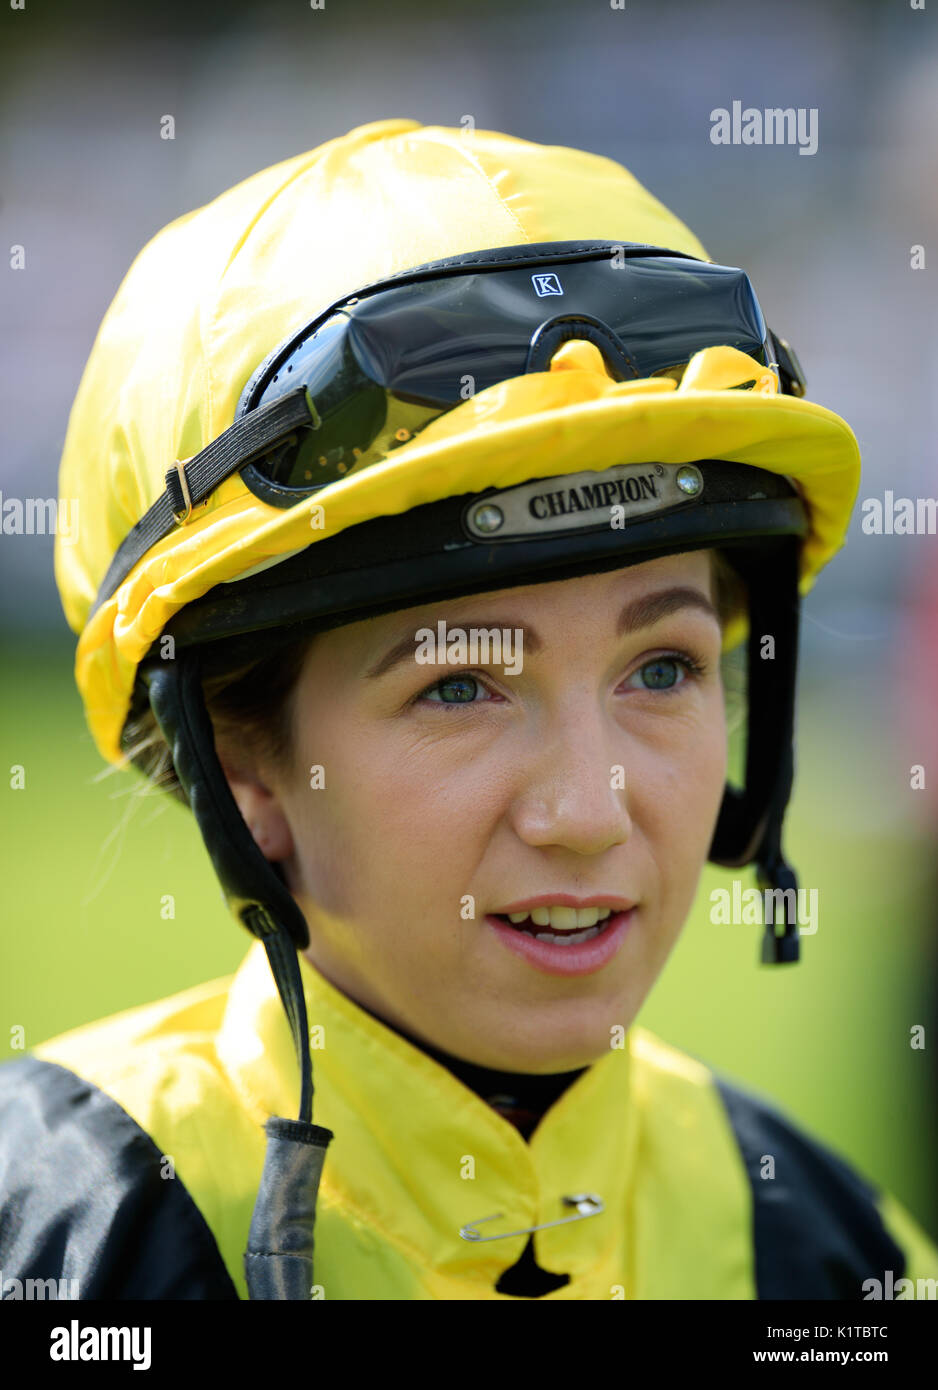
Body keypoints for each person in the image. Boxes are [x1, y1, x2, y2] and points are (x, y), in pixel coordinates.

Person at [1, 117, 935, 1301]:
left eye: (661, 669)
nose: (588, 814)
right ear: (241, 761)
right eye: (459, 683)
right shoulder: (56, 1246)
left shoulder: (841, 1257)